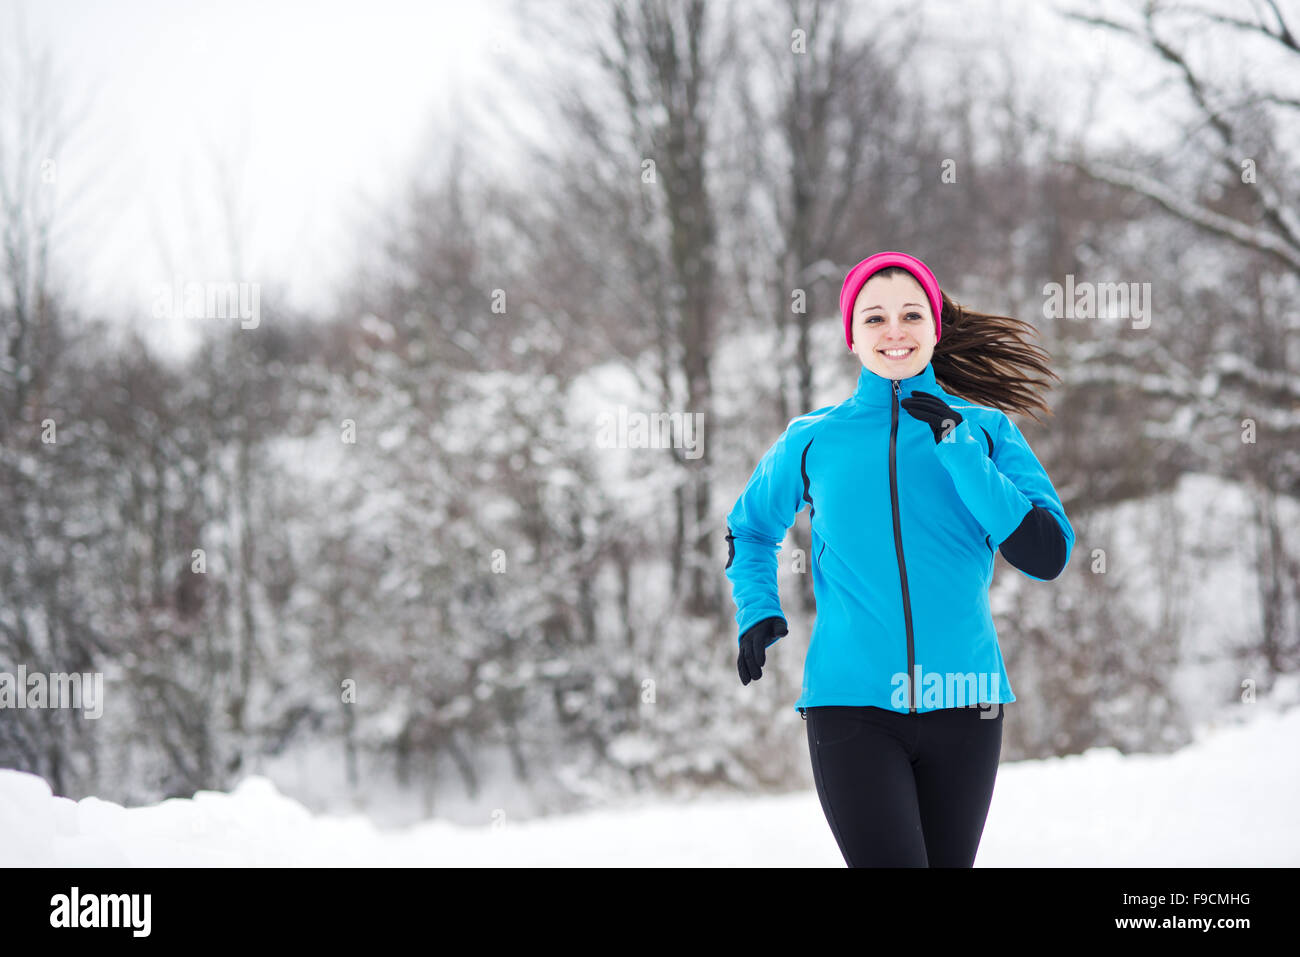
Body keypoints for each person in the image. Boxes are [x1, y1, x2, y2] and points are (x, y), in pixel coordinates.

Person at [723, 251, 1075, 867]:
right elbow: (749, 529)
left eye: (911, 315)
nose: (894, 331)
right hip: (851, 704)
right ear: (851, 335)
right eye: (874, 317)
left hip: (966, 700)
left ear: (935, 328)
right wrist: (757, 607)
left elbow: (1046, 553)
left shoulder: (986, 431)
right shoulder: (813, 437)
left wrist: (961, 452)